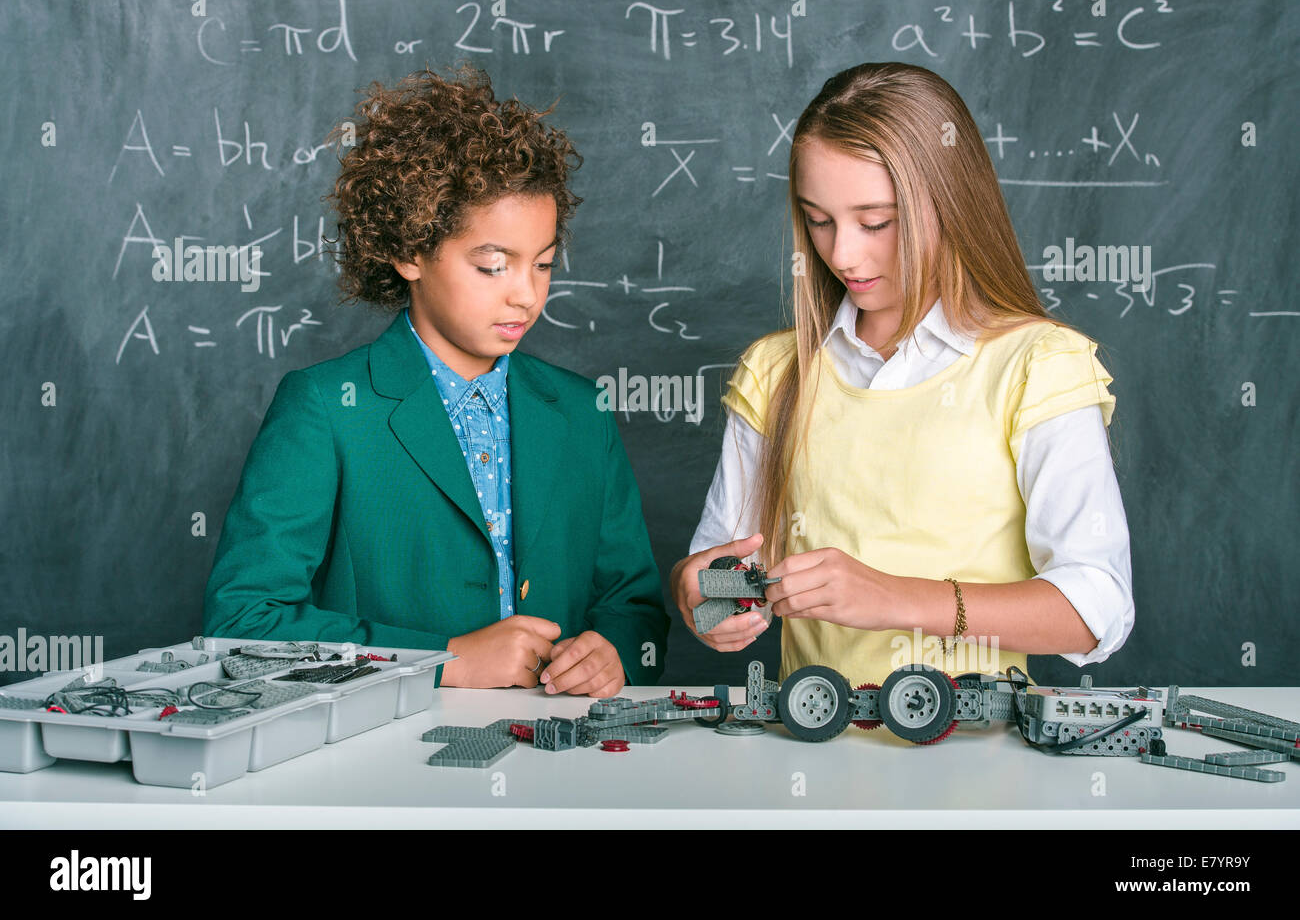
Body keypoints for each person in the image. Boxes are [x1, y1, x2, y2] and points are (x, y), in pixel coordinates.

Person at [204, 66, 667, 696]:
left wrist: (614, 654)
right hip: (382, 764)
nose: (527, 295)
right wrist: (442, 661)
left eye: (545, 264)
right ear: (410, 252)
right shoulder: (326, 409)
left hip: (559, 760)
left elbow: (632, 608)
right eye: (493, 266)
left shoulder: (583, 411)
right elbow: (244, 626)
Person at [671, 62, 1133, 687]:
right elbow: (713, 570)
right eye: (819, 219)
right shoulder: (776, 373)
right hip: (811, 752)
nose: (841, 255)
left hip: (982, 765)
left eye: (876, 222)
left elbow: (1094, 606)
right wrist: (700, 596)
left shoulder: (1038, 366)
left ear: (950, 204)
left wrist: (894, 598)